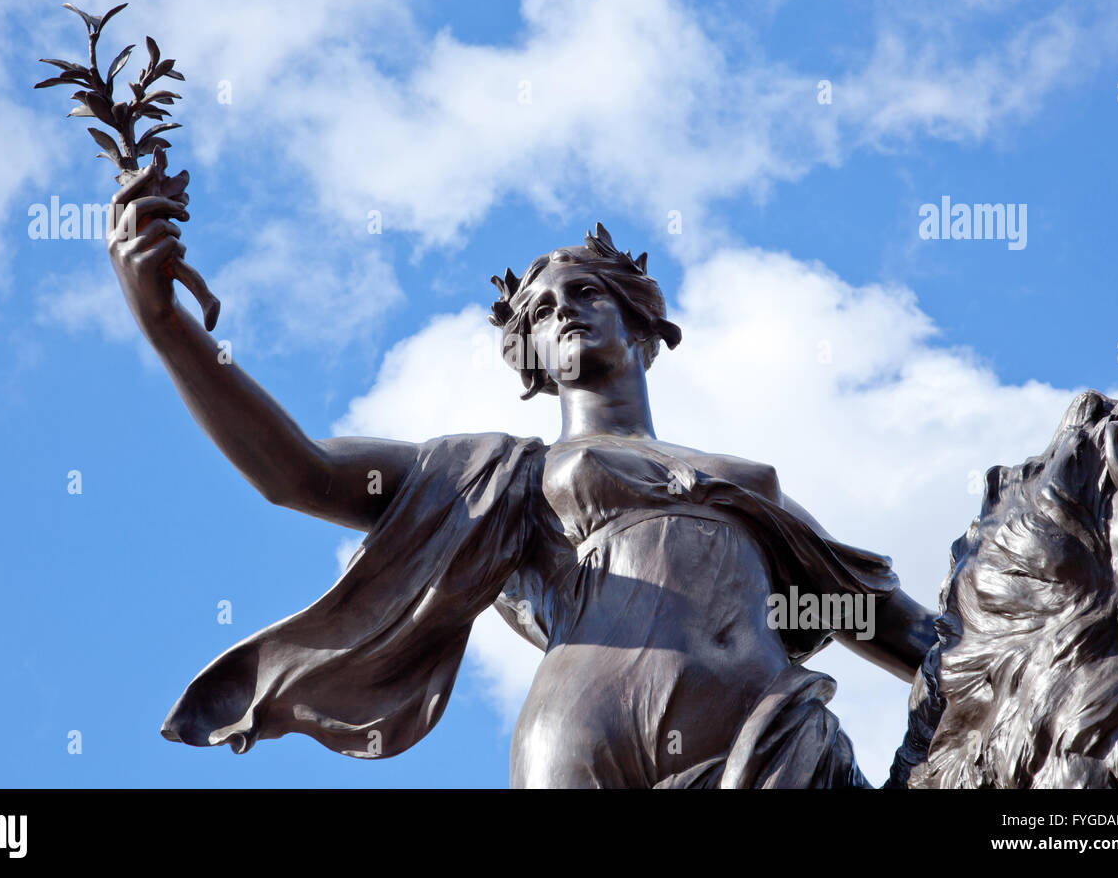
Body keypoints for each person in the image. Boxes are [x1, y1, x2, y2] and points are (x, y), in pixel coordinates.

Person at [105, 160, 937, 788]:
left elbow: (902, 632)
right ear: (529, 361)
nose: (562, 308)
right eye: (539, 310)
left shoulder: (748, 483)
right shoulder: (501, 476)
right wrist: (163, 321)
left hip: (770, 739)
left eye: (585, 293)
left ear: (644, 327)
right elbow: (300, 474)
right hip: (581, 739)